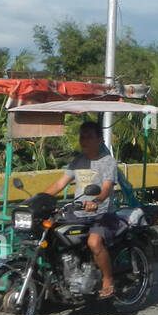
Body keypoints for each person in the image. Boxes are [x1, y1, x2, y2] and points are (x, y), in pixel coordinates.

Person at [42, 119, 122, 298]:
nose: (83, 140)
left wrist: (97, 200)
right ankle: (58, 278)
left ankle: (107, 279)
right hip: (77, 214)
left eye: (88, 137)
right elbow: (59, 184)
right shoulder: (77, 161)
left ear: (99, 140)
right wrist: (37, 199)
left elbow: (107, 187)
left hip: (102, 214)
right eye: (82, 136)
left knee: (94, 242)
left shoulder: (107, 162)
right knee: (53, 236)